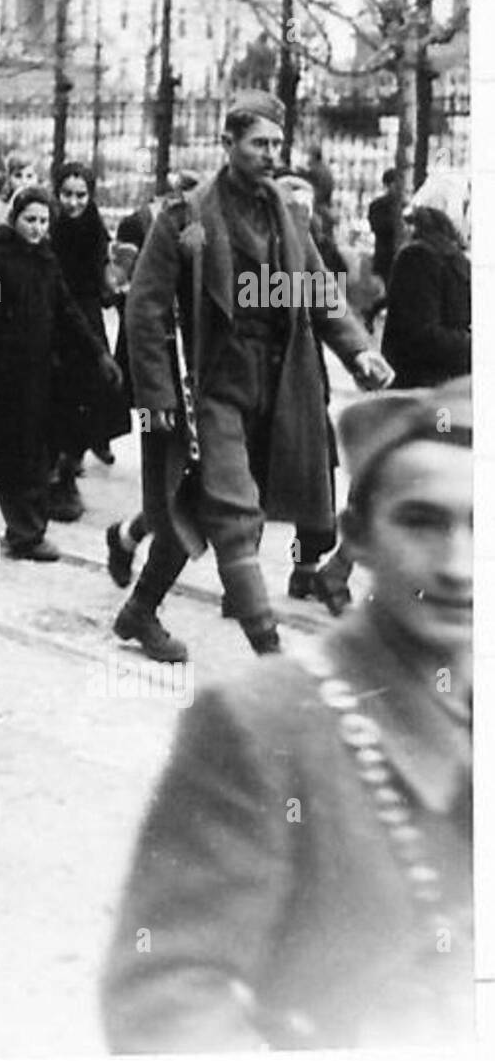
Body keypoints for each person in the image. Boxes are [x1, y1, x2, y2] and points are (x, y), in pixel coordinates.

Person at [102, 376, 473, 1052]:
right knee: (221, 526)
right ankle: (231, 625)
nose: (460, 566)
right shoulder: (256, 727)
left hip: (272, 413)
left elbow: (323, 305)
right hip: (218, 419)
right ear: (357, 538)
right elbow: (166, 1004)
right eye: (421, 521)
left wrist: (362, 351)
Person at [124, 90, 392, 654]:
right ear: (227, 144)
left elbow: (318, 293)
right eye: (258, 143)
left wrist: (359, 350)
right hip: (214, 383)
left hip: (278, 384)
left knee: (197, 508)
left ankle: (139, 610)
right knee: (235, 512)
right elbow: (145, 310)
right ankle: (268, 649)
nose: (271, 154)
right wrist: (159, 396)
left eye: (276, 143)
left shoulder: (288, 214)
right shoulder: (184, 216)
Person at [0, 186, 121, 561]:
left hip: (39, 374)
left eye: (43, 221)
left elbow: (67, 310)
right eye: (30, 220)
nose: (37, 228)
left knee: (20, 455)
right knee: (16, 456)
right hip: (1, 376)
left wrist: (98, 353)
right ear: (14, 219)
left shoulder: (46, 261)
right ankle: (25, 535)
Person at [50, 162, 130, 515]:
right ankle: (59, 475)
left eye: (80, 195)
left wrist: (113, 291)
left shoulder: (94, 225)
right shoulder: (49, 224)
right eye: (66, 194)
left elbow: (100, 271)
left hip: (87, 314)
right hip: (55, 315)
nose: (73, 202)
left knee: (95, 388)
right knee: (61, 394)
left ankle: (76, 454)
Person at [381, 173, 471, 391]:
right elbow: (421, 336)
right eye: (466, 205)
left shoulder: (450, 255)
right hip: (427, 392)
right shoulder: (420, 256)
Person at [366, 168, 405, 332]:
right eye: (397, 183)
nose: (400, 187)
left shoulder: (402, 205)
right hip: (386, 254)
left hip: (400, 253)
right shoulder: (378, 205)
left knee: (396, 292)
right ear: (388, 185)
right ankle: (371, 314)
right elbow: (377, 227)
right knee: (394, 293)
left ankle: (373, 315)